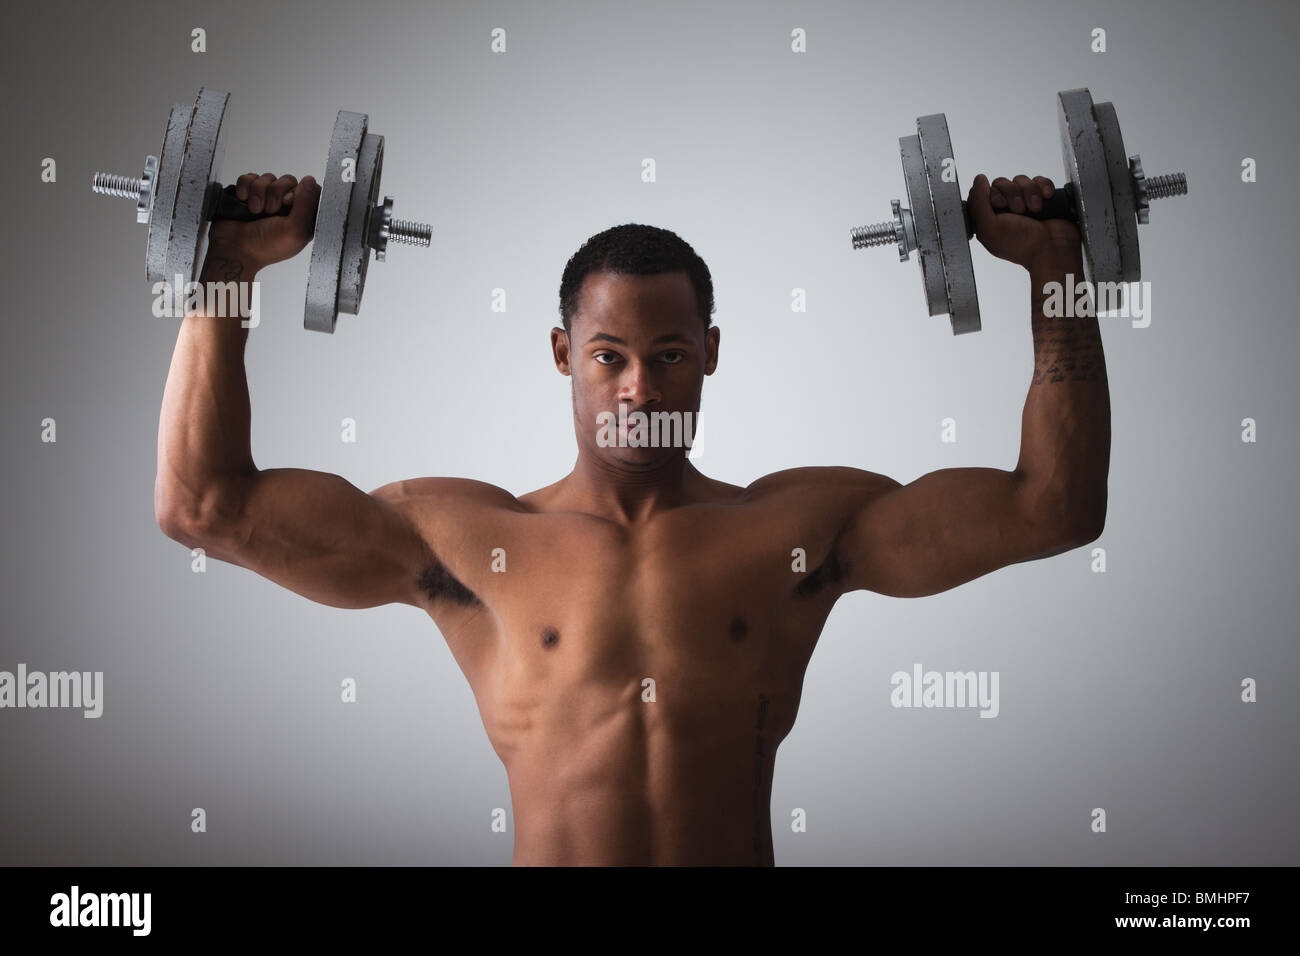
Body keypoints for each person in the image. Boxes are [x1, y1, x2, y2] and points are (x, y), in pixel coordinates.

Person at [155, 169, 1109, 866]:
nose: (639, 385)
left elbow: (1052, 507)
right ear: (564, 352)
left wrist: (1055, 264)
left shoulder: (803, 529)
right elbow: (204, 505)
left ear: (712, 353)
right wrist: (228, 267)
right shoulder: (460, 541)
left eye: (670, 354)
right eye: (609, 355)